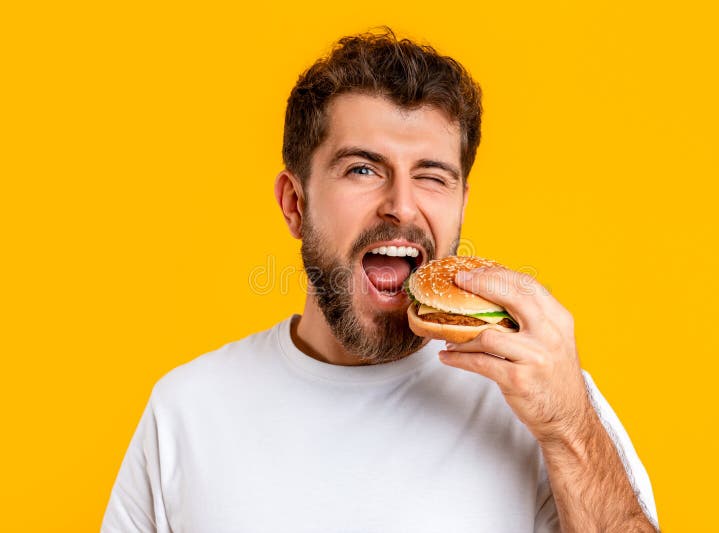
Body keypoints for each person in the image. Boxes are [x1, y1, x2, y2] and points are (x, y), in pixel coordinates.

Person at [101, 28, 659, 532]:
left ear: (463, 203)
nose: (402, 206)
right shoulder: (187, 410)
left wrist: (569, 430)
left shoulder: (543, 397)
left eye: (432, 176)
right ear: (295, 203)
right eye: (363, 169)